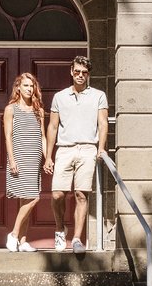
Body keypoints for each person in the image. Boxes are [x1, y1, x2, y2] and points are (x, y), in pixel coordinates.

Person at [44, 54, 108, 252]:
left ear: (88, 74)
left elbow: (103, 123)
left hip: (88, 148)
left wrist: (101, 147)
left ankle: (77, 239)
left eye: (84, 72)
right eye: (77, 71)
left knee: (81, 194)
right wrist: (48, 156)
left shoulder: (98, 95)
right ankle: (59, 229)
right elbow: (52, 126)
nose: (81, 75)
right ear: (71, 72)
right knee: (57, 195)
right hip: (64, 148)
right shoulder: (60, 97)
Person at [2, 71, 47, 252]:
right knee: (34, 198)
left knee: (26, 200)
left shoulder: (39, 111)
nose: (29, 89)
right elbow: (8, 136)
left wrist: (47, 158)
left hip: (34, 159)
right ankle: (13, 234)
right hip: (19, 158)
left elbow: (43, 137)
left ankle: (23, 241)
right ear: (18, 88)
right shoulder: (10, 109)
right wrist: (12, 160)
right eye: (26, 85)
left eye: (32, 85)